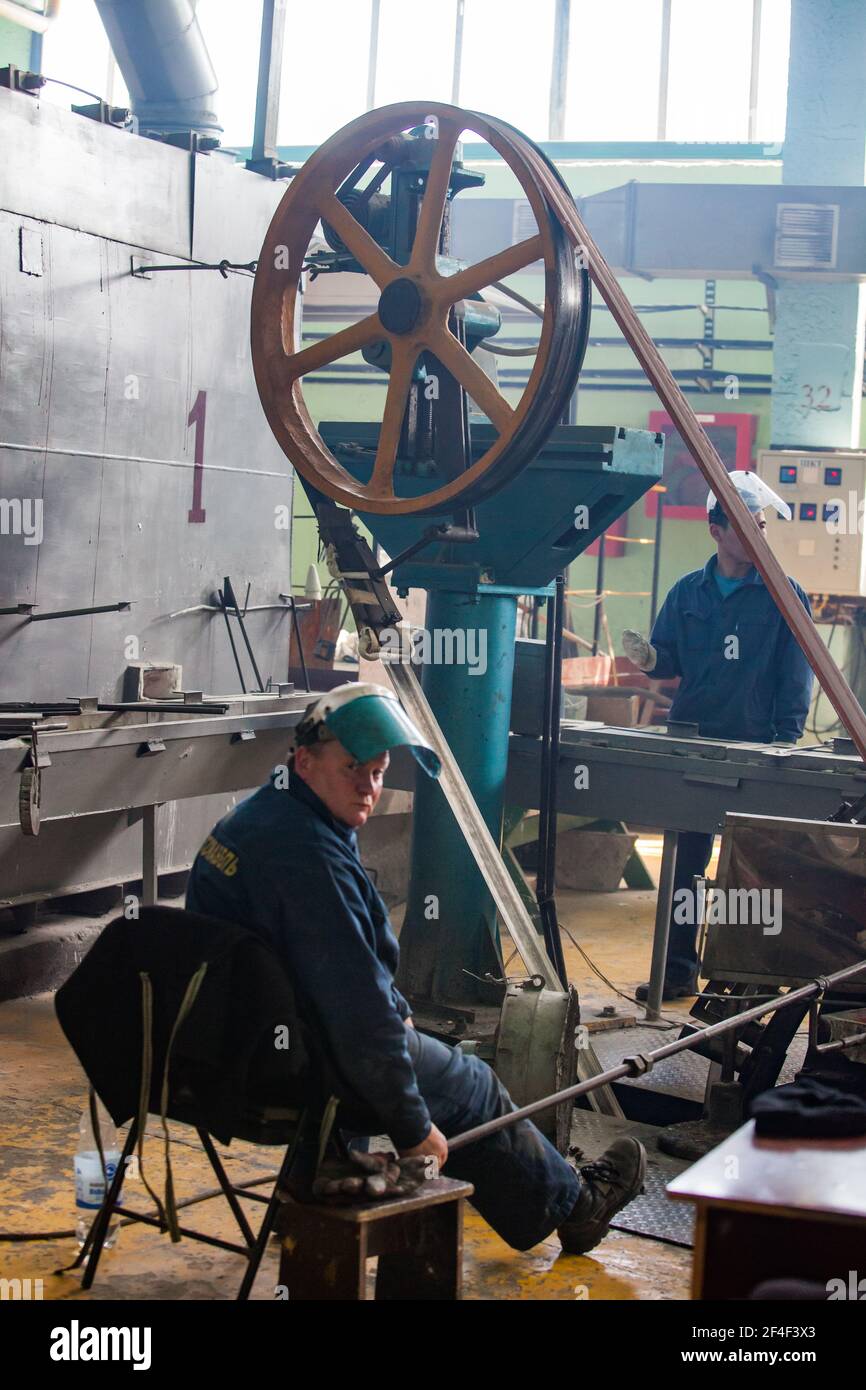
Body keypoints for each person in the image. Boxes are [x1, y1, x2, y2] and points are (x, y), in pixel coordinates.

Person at [186, 681, 646, 1254]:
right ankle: (576, 1208)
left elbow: (335, 983)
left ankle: (317, 1176)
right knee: (472, 1085)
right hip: (289, 1064)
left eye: (378, 771)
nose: (369, 786)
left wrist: (393, 1016)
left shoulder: (266, 815)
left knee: (399, 1038)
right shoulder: (308, 859)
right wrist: (411, 1129)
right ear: (304, 760)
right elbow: (357, 1021)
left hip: (228, 1044)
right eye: (354, 767)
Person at [622, 471, 814, 1001]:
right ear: (716, 530)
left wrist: (785, 743)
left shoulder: (783, 594)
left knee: (752, 867)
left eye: (761, 526)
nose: (758, 537)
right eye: (748, 527)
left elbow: (796, 673)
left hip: (755, 746)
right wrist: (648, 658)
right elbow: (668, 663)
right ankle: (678, 969)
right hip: (692, 740)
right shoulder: (687, 592)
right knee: (684, 862)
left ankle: (747, 978)